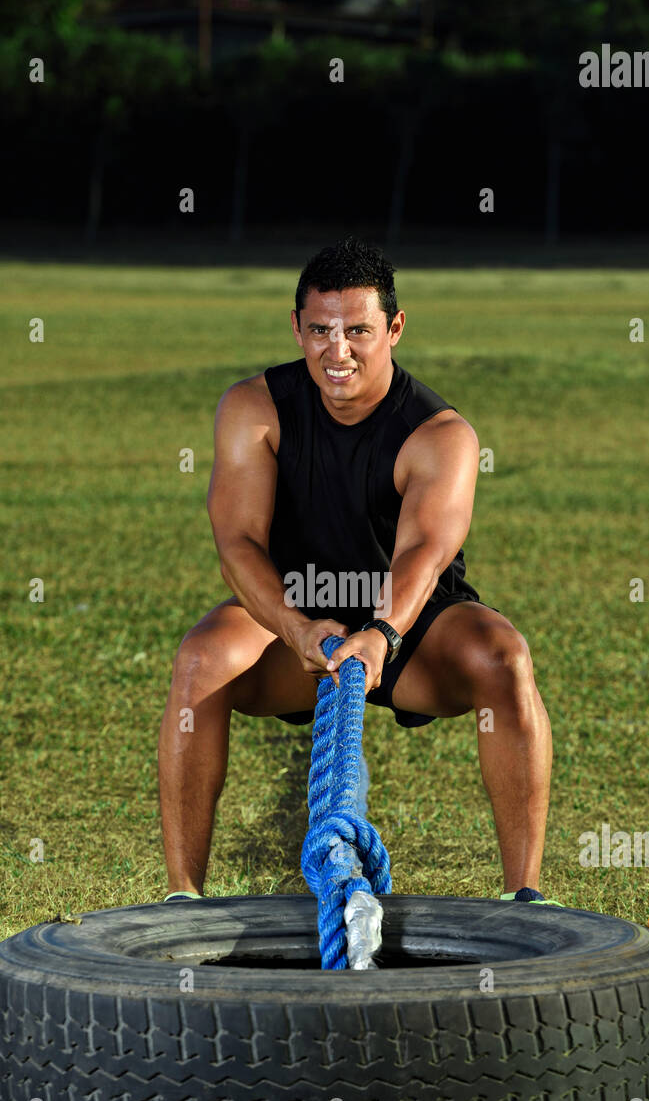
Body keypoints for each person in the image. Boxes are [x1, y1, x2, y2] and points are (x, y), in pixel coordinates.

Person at [158, 236, 562, 907]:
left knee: (504, 658)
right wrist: (294, 627)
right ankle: (182, 899)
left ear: (394, 328)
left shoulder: (440, 435)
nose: (336, 350)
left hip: (410, 626)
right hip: (298, 617)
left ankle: (525, 896)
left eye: (357, 331)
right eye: (319, 330)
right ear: (296, 327)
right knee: (200, 660)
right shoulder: (254, 409)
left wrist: (381, 633)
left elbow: (423, 553)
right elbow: (237, 543)